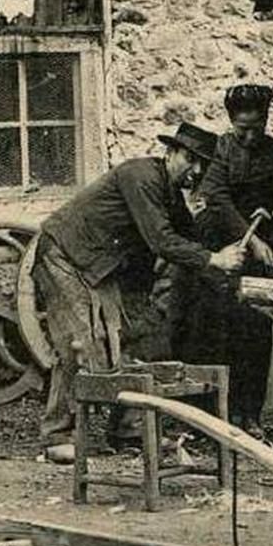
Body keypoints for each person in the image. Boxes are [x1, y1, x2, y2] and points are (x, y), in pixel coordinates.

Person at [33, 123, 246, 464]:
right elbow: (162, 241)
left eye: (202, 166)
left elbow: (190, 241)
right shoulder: (141, 176)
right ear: (170, 153)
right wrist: (215, 260)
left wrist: (225, 263)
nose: (195, 171)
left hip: (106, 268)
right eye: (190, 160)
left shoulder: (172, 196)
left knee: (143, 335)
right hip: (64, 255)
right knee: (79, 343)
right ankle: (56, 435)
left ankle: (128, 429)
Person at [178, 84, 273, 431]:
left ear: (267, 119)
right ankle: (211, 416)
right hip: (218, 241)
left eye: (258, 127)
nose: (251, 136)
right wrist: (251, 237)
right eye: (243, 129)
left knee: (257, 327)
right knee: (213, 324)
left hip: (261, 246)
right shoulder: (221, 149)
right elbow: (217, 197)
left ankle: (250, 414)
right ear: (231, 121)